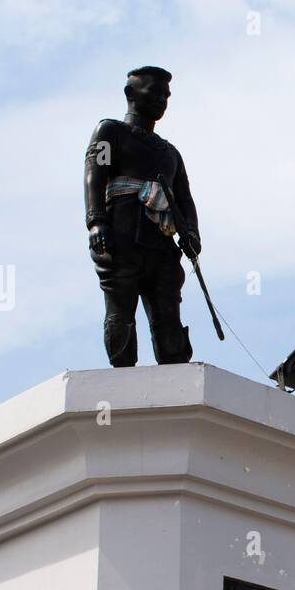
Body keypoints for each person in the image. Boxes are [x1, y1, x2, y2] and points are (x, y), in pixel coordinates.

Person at [83, 66, 201, 367]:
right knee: (121, 309)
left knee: (168, 315)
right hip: (121, 237)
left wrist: (191, 233)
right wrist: (96, 222)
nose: (162, 100)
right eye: (154, 92)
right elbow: (94, 176)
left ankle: (175, 372)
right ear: (130, 94)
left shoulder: (169, 152)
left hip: (161, 244)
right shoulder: (110, 131)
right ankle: (123, 374)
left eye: (166, 95)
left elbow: (184, 198)